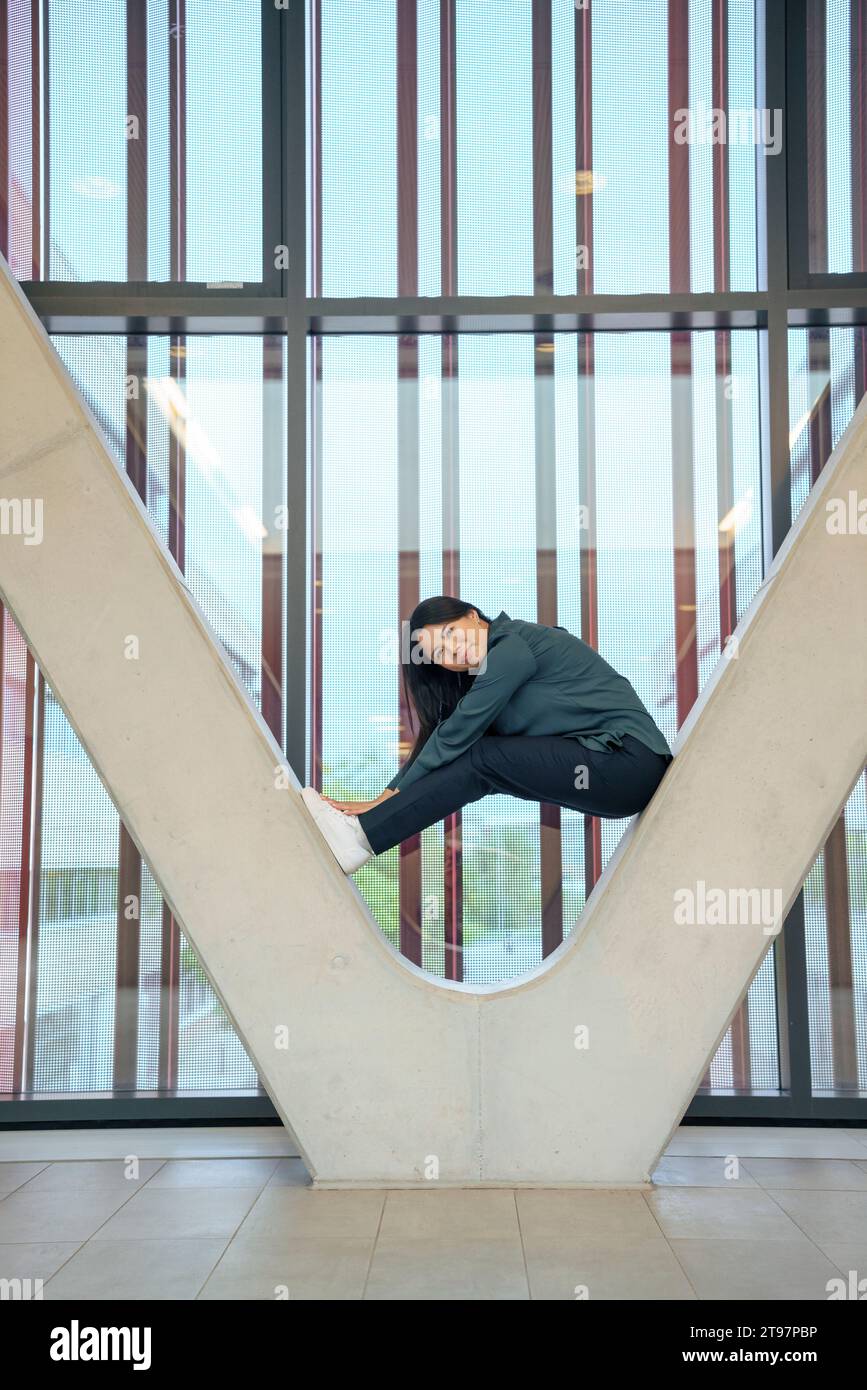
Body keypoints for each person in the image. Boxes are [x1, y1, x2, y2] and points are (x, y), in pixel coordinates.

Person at [301, 596, 674, 873]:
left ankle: (359, 837)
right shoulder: (487, 677)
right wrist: (386, 796)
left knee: (481, 758)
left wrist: (384, 801)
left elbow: (456, 736)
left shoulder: (513, 646)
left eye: (449, 633)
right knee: (481, 760)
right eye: (440, 653)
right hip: (608, 774)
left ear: (471, 615)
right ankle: (361, 835)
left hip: (629, 764)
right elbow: (446, 739)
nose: (453, 649)